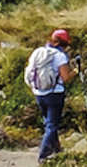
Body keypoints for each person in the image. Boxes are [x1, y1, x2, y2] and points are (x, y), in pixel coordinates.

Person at [23, 28, 76, 159]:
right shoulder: (59, 56)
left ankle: (56, 149)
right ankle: (43, 155)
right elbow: (65, 78)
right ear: (64, 44)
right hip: (54, 94)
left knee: (48, 122)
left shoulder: (38, 51)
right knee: (52, 125)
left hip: (38, 93)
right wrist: (76, 71)